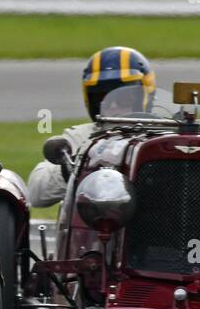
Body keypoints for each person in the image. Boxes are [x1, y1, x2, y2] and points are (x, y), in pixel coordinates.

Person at [27, 46, 156, 207]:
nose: (114, 105)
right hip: (93, 226)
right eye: (103, 97)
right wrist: (76, 166)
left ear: (144, 95)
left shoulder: (165, 139)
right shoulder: (81, 137)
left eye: (123, 97)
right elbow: (36, 193)